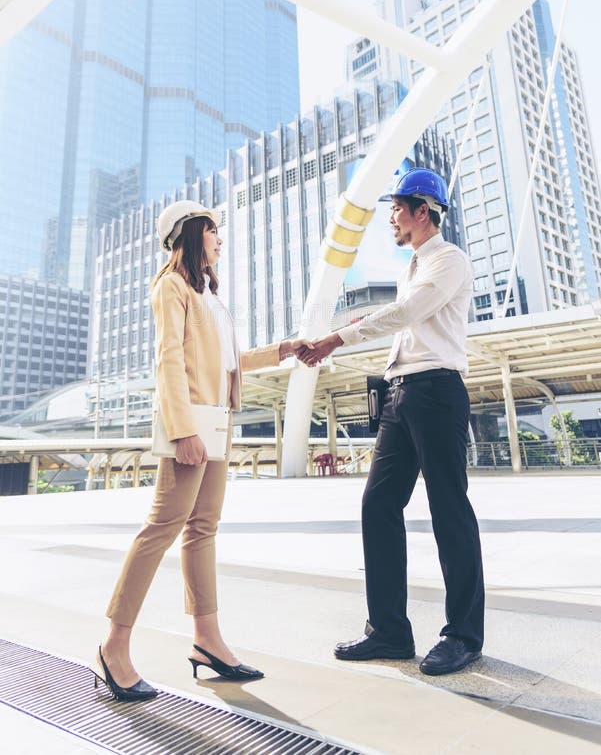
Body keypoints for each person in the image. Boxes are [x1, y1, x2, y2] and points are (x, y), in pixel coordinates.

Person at [94, 201, 309, 700]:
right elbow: (168, 361)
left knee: (202, 530)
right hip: (191, 423)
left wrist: (284, 349)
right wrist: (182, 428)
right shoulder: (169, 286)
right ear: (189, 235)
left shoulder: (208, 296)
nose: (219, 238)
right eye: (211, 230)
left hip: (217, 423)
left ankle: (207, 642)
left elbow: (230, 360)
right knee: (161, 529)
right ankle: (114, 645)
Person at [298, 168, 485, 676]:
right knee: (378, 504)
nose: (391, 219)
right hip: (401, 394)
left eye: (397, 209)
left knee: (449, 510)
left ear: (423, 211)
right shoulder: (416, 265)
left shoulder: (449, 260)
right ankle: (389, 632)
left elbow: (406, 313)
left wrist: (336, 338)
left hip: (438, 393)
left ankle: (463, 635)